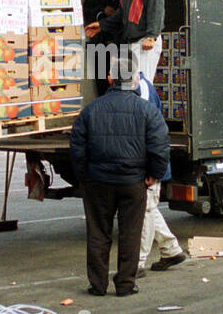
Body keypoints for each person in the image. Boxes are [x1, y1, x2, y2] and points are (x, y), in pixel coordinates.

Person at [69, 55, 170, 296]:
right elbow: (160, 145)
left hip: (98, 182)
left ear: (110, 78)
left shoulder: (91, 110)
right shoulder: (147, 110)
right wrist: (153, 175)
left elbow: (77, 146)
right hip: (133, 182)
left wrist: (85, 176)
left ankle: (98, 285)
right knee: (130, 234)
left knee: (98, 233)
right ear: (135, 80)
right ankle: (125, 284)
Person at [135, 72, 187, 273]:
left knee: (145, 211)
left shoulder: (142, 91)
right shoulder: (135, 88)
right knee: (149, 209)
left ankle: (138, 263)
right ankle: (171, 250)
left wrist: (152, 171)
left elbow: (150, 135)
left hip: (150, 166)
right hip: (150, 164)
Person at [83, 0, 122, 97]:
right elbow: (85, 11)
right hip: (99, 42)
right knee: (101, 81)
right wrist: (103, 11)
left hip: (120, 43)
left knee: (122, 80)